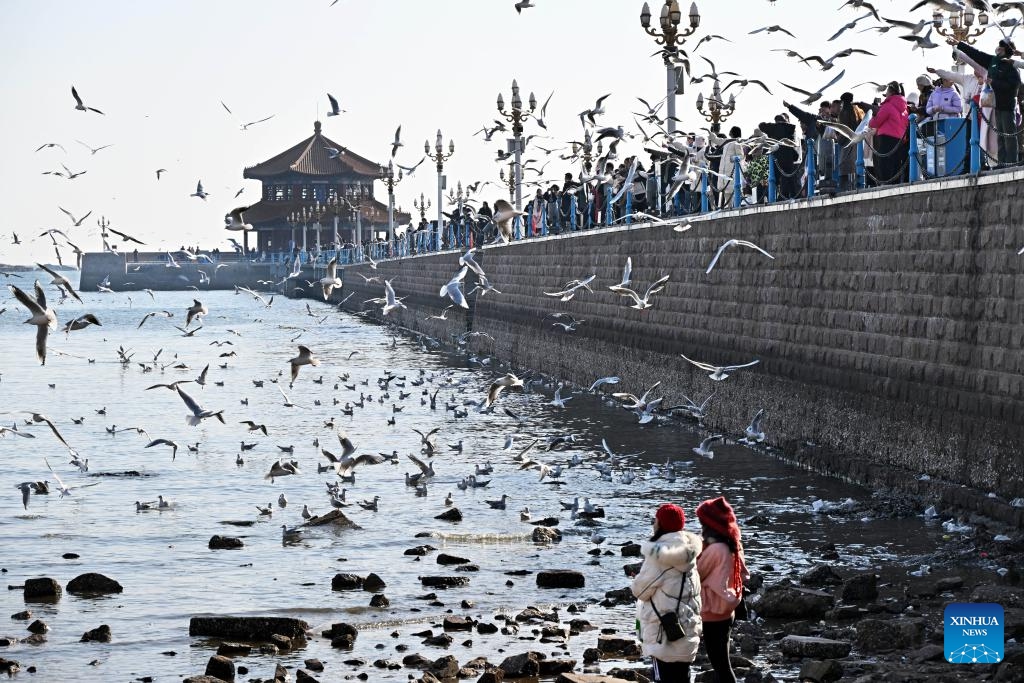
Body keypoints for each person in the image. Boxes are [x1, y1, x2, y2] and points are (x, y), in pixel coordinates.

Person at [630, 503, 703, 683]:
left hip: (664, 635)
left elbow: (640, 591)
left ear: (661, 524)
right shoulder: (690, 555)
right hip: (687, 630)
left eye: (656, 519)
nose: (653, 523)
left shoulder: (659, 557)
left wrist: (636, 578)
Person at [696, 497, 749, 683]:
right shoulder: (733, 543)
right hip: (727, 611)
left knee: (721, 665)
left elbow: (697, 574)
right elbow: (743, 574)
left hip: (712, 612)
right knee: (722, 663)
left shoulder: (715, 549)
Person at [955, 37, 1021, 166]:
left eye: (1001, 47)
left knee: (1009, 136)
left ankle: (1011, 162)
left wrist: (995, 82)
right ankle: (1002, 162)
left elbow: (1014, 86)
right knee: (1000, 137)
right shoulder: (993, 61)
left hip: (1007, 106)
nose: (998, 48)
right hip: (997, 105)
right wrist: (959, 44)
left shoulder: (1012, 67)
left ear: (1006, 50)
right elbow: (976, 54)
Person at [868, 81, 909, 185]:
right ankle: (894, 185)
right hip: (899, 140)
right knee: (895, 164)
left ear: (890, 92)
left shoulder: (888, 106)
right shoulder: (904, 109)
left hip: (886, 138)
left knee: (885, 164)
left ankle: (886, 185)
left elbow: (874, 123)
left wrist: (873, 115)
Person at [837, 92, 865, 191]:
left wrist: (837, 139)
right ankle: (856, 188)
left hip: (847, 144)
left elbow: (844, 131)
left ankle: (844, 191)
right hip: (857, 144)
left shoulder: (844, 112)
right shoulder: (858, 111)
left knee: (844, 170)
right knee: (855, 169)